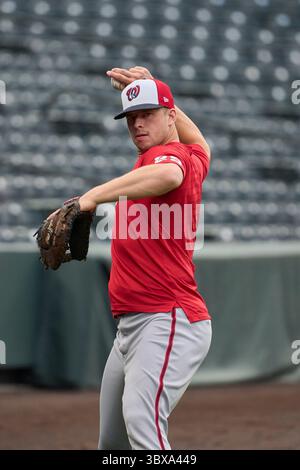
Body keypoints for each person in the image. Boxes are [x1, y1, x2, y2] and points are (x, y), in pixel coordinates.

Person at [78, 66, 212, 450]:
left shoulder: (171, 159)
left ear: (170, 116)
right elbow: (203, 143)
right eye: (132, 118)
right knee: (112, 443)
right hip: (130, 327)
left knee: (142, 421)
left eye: (148, 114)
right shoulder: (190, 155)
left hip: (167, 318)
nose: (137, 124)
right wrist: (155, 90)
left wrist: (92, 195)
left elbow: (168, 176)